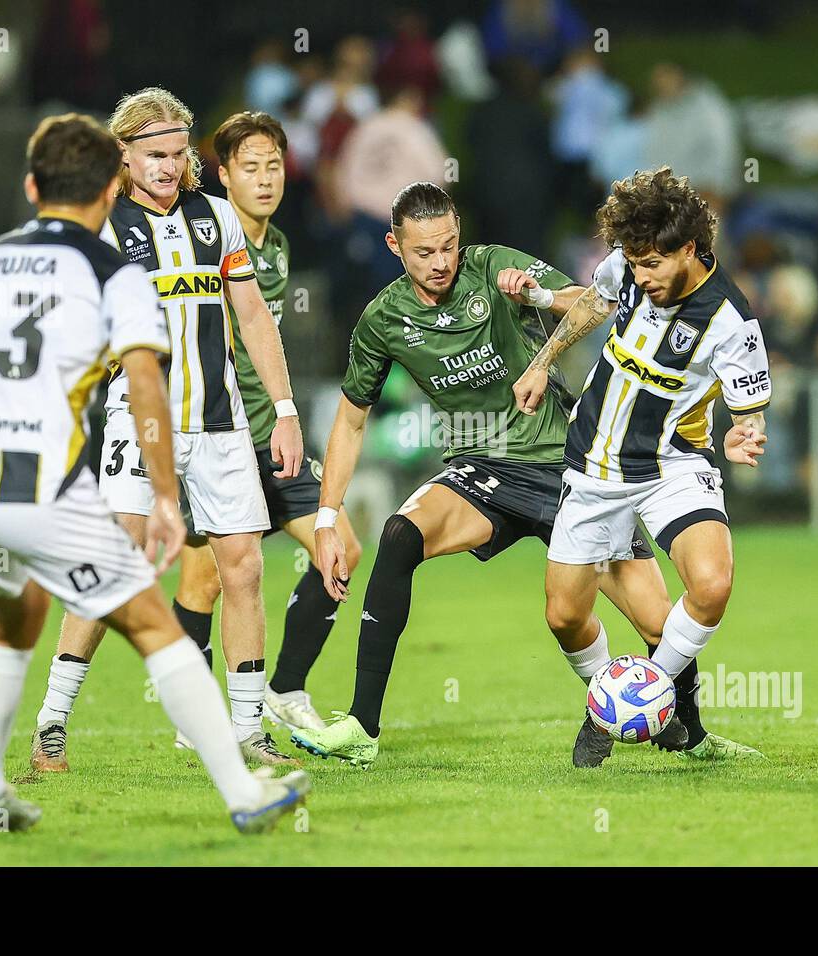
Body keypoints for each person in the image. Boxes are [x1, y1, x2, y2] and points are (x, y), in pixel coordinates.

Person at [0, 113, 309, 834]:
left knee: (14, 618)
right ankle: (244, 796)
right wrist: (163, 493)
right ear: (107, 184)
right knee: (154, 620)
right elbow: (145, 384)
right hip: (44, 477)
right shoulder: (109, 263)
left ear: (33, 187)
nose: (169, 167)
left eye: (178, 154)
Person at [291, 181, 686, 770]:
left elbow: (598, 303)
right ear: (394, 246)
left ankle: (692, 734)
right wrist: (326, 517)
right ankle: (361, 726)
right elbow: (350, 423)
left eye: (449, 245)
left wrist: (538, 296)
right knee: (400, 535)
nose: (441, 261)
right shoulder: (383, 320)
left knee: (658, 621)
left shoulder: (494, 267)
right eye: (424, 252)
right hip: (481, 467)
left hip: (566, 467)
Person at [29, 88, 304, 772]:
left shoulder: (216, 219)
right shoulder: (98, 227)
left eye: (179, 154)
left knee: (241, 564)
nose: (168, 166)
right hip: (136, 418)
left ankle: (245, 730)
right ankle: (53, 721)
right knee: (118, 565)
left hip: (220, 421)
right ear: (122, 156)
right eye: (154, 155)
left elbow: (253, 318)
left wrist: (287, 409)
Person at [513, 167, 768, 766]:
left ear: (689, 249)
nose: (641, 274)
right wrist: (542, 363)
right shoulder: (626, 267)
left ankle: (626, 703)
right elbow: (592, 304)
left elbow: (750, 412)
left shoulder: (731, 322)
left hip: (672, 466)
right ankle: (617, 693)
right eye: (634, 261)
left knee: (712, 584)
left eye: (653, 263)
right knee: (564, 615)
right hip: (594, 467)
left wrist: (743, 436)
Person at [171, 111, 364, 737]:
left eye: (274, 166)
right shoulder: (202, 239)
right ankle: (194, 711)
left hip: (270, 436)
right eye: (249, 168)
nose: (264, 179)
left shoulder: (276, 246)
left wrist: (283, 415)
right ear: (221, 175)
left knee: (342, 549)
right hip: (218, 436)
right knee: (204, 580)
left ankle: (285, 687)